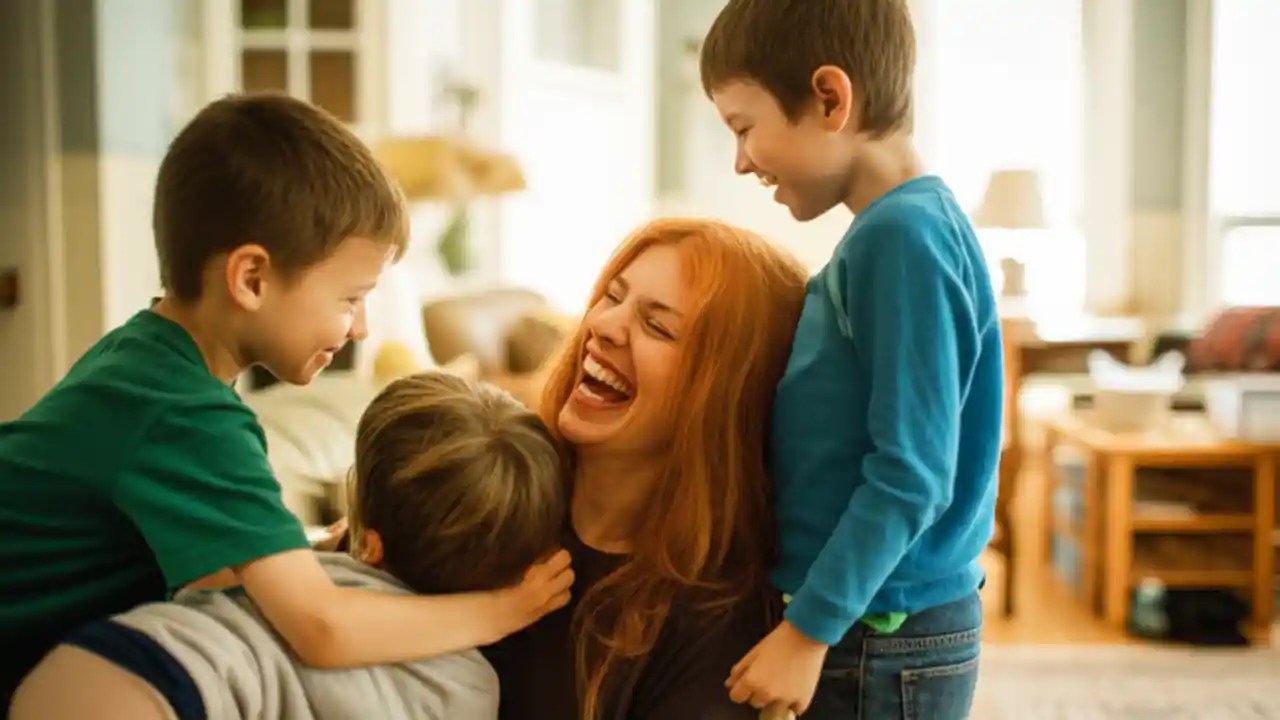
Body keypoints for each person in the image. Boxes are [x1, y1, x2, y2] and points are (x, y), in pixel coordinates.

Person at [0, 94, 571, 709]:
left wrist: (294, 552)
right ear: (251, 279)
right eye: (350, 298)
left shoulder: (147, 360)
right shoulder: (188, 415)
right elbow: (322, 629)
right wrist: (501, 611)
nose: (360, 329)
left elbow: (203, 567)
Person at [700, 1, 1002, 717]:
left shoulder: (900, 239)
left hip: (877, 629)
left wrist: (806, 631)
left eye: (744, 127)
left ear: (830, 99)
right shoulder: (908, 228)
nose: (740, 161)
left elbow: (912, 473)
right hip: (874, 616)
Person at [11, 371, 567, 719]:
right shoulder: (465, 690)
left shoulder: (300, 571)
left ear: (368, 543)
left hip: (107, 658)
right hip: (169, 693)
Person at [485, 218, 810, 720]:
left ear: (723, 398)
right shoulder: (487, 497)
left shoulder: (719, 620)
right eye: (612, 297)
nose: (603, 326)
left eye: (658, 326)